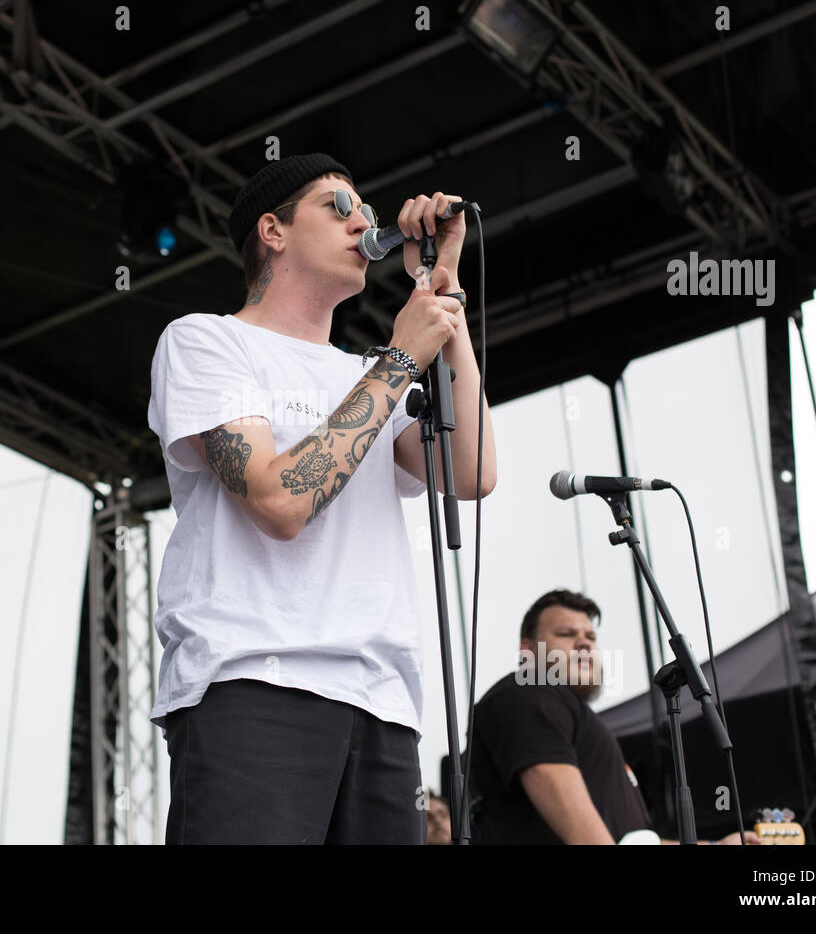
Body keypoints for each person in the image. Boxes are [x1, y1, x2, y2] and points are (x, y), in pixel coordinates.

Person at [146, 153, 496, 843]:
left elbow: (473, 472)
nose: (363, 220)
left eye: (364, 208)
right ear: (272, 231)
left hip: (382, 703)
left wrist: (443, 296)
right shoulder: (207, 341)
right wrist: (400, 360)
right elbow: (280, 503)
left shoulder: (369, 373)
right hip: (252, 686)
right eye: (338, 206)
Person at [468, 589, 759, 845]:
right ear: (527, 649)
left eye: (590, 637)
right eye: (566, 634)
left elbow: (632, 841)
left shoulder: (575, 719)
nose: (584, 643)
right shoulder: (525, 692)